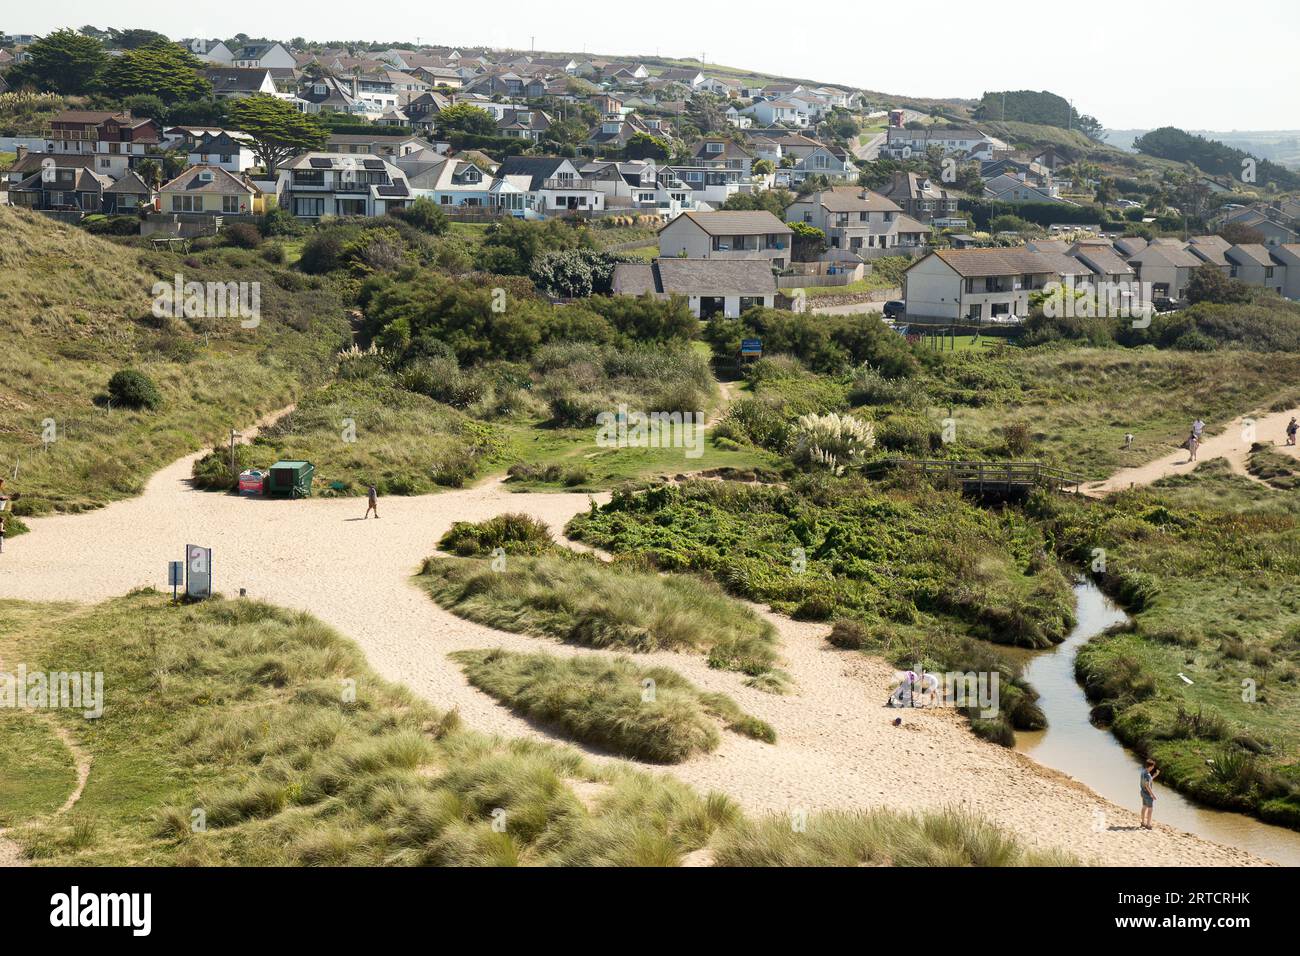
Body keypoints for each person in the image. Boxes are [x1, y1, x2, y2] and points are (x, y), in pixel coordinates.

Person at [1140, 759, 1159, 829]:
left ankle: (1142, 822)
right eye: (1153, 766)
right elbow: (1147, 785)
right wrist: (1152, 795)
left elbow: (1147, 782)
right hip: (1147, 794)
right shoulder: (1147, 775)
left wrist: (1154, 776)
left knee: (1144, 807)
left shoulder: (1143, 772)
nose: (1153, 768)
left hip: (1142, 792)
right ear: (1150, 766)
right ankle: (1148, 824)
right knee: (1150, 809)